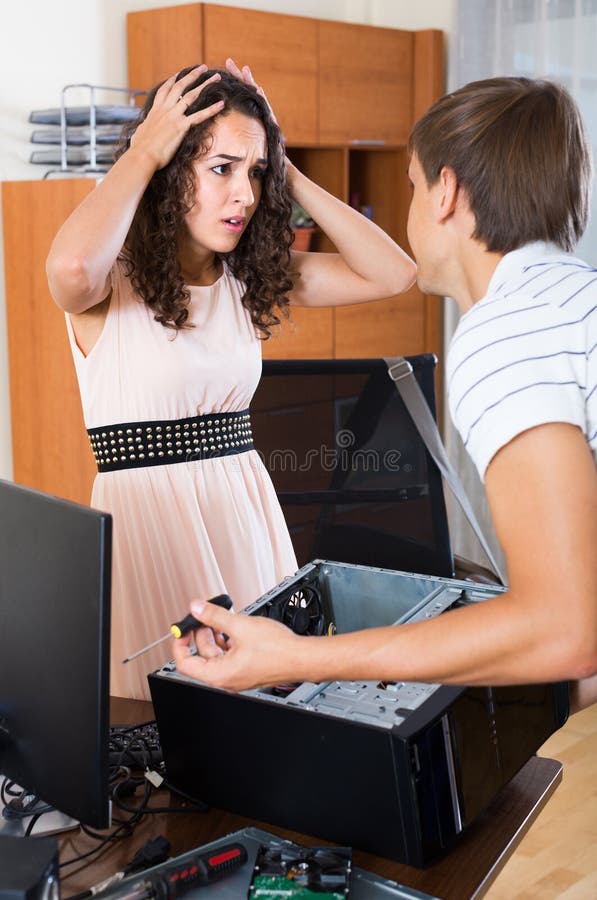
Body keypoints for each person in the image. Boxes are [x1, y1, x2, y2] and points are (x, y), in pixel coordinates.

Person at [173, 76, 597, 715]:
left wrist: (297, 658)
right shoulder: (571, 300)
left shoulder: (511, 332)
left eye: (411, 185)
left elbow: (564, 632)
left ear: (445, 192)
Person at [46, 60, 416, 700]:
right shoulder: (109, 283)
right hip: (150, 534)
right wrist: (143, 152)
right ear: (169, 168)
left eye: (256, 173)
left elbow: (395, 273)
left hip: (245, 519)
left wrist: (286, 169)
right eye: (222, 168)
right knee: (160, 722)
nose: (245, 194)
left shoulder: (247, 277)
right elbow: (71, 266)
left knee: (263, 711)